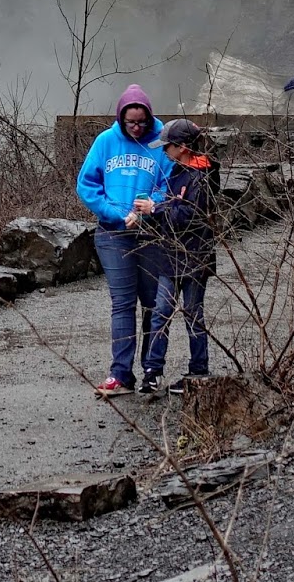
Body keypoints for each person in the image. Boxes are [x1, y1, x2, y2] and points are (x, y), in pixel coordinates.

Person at [75, 84, 172, 397]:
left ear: (150, 117)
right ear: (121, 118)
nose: (137, 128)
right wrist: (116, 213)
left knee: (153, 304)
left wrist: (149, 210)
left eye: (142, 122)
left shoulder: (160, 140)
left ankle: (151, 371)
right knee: (122, 303)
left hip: (152, 233)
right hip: (114, 233)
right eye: (131, 122)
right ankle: (120, 374)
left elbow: (170, 185)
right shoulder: (106, 141)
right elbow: (87, 185)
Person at [135, 118, 217, 395]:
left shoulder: (202, 177)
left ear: (182, 147)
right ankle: (152, 371)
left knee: (193, 314)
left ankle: (199, 372)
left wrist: (155, 209)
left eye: (167, 145)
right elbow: (175, 208)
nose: (164, 150)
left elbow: (191, 216)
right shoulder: (178, 172)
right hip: (172, 256)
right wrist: (154, 210)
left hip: (195, 256)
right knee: (161, 312)